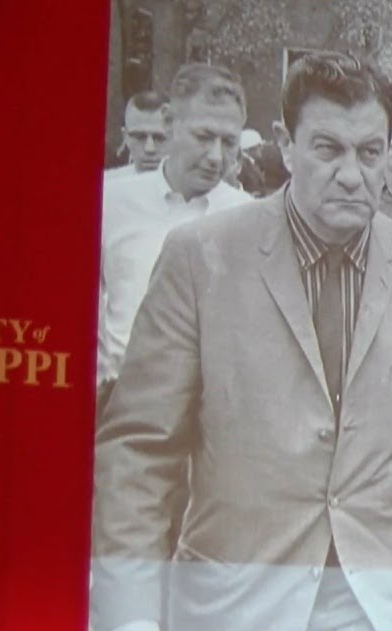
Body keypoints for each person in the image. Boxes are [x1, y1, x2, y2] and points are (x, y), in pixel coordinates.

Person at [92, 51, 392, 631]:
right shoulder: (200, 257)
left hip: (384, 613)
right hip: (235, 609)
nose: (352, 174)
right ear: (285, 148)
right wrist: (131, 621)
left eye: (370, 153)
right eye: (328, 149)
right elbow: (139, 450)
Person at [96, 64, 253, 418]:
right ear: (169, 123)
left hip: (211, 413)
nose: (216, 157)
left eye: (229, 142)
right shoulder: (110, 203)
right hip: (121, 404)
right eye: (203, 136)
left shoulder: (249, 217)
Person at [105, 90, 169, 180]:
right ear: (125, 137)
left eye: (159, 138)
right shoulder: (108, 186)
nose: (149, 149)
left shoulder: (193, 191)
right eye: (140, 137)